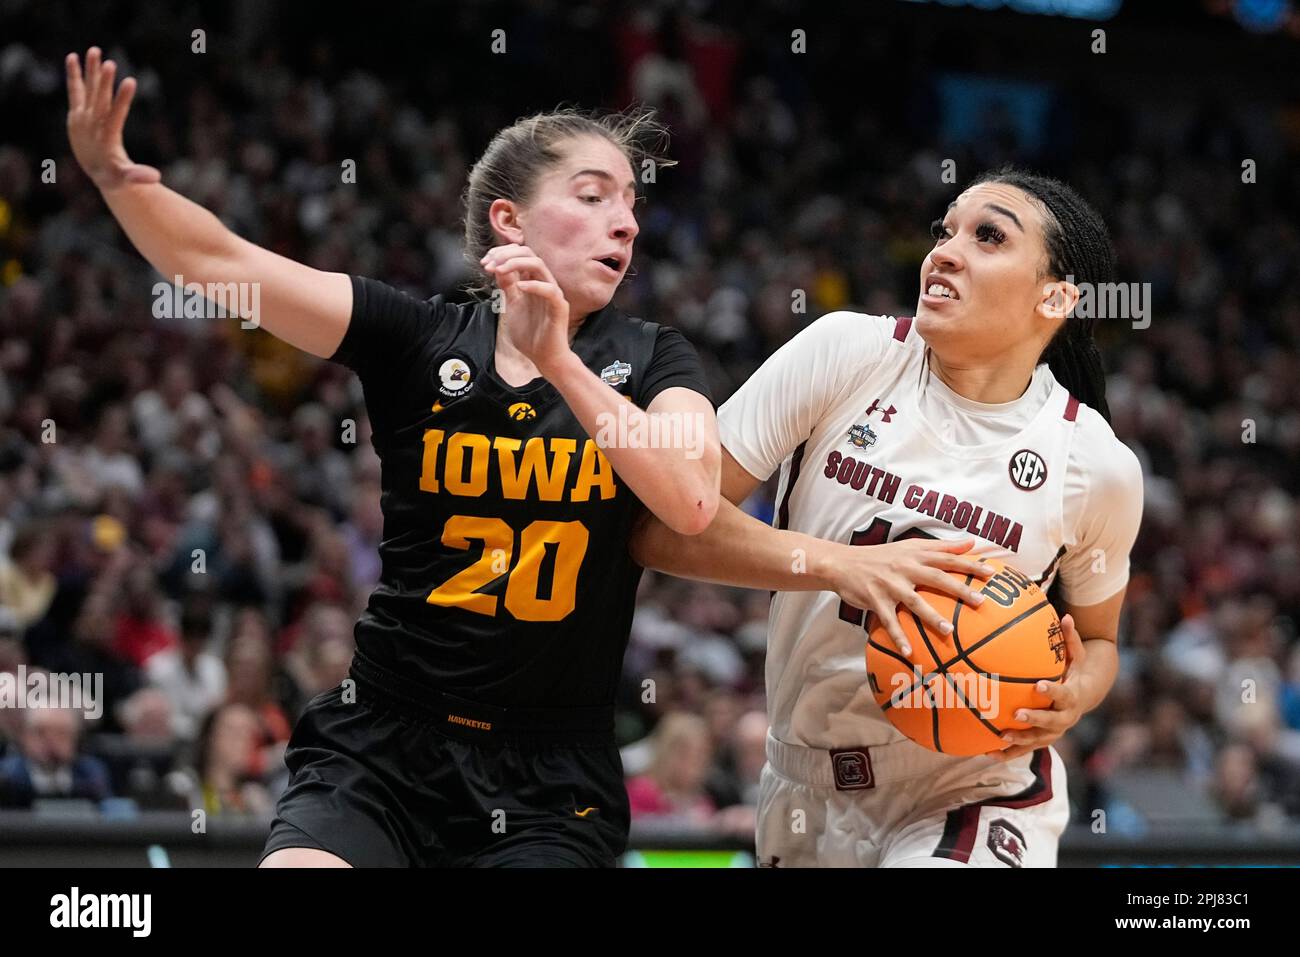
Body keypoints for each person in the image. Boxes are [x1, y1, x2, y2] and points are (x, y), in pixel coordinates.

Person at [66, 47, 720, 866]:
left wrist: (561, 362)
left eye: (630, 203)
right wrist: (118, 179)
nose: (625, 220)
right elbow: (221, 265)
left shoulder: (658, 359)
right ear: (508, 221)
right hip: (385, 741)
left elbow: (691, 500)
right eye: (593, 197)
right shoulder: (417, 337)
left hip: (550, 778)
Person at [632, 169, 1144, 867]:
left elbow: (1099, 641)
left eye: (989, 236)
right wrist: (842, 565)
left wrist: (1073, 694)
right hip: (804, 783)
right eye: (946, 230)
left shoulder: (1094, 462)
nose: (945, 251)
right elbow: (659, 526)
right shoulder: (847, 352)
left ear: (1054, 297)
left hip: (974, 783)